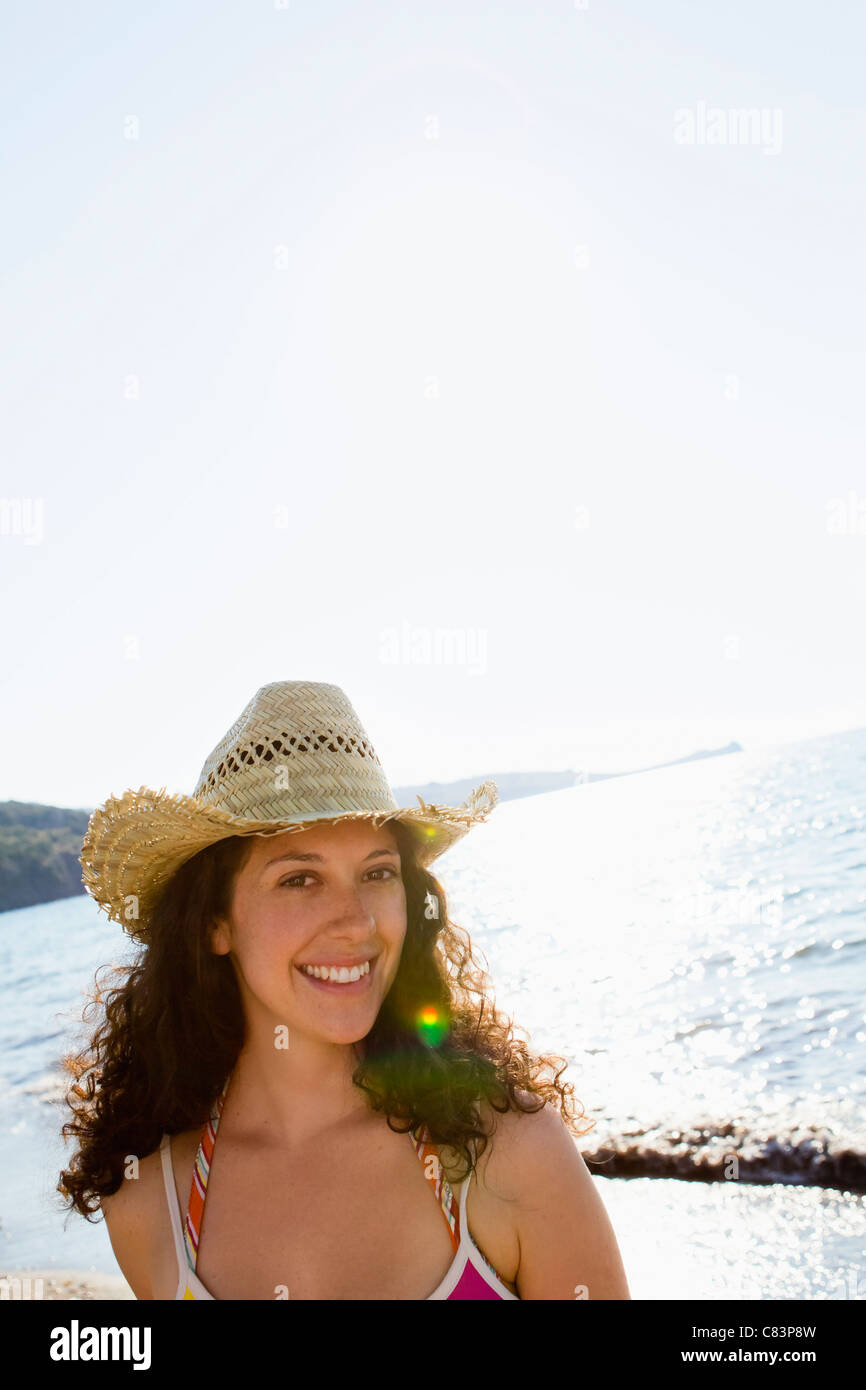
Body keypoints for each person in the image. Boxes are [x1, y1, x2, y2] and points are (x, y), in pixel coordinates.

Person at [59, 680, 630, 1300]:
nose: (357, 922)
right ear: (213, 922)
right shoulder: (150, 1204)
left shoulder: (508, 1155)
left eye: (377, 873)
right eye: (300, 879)